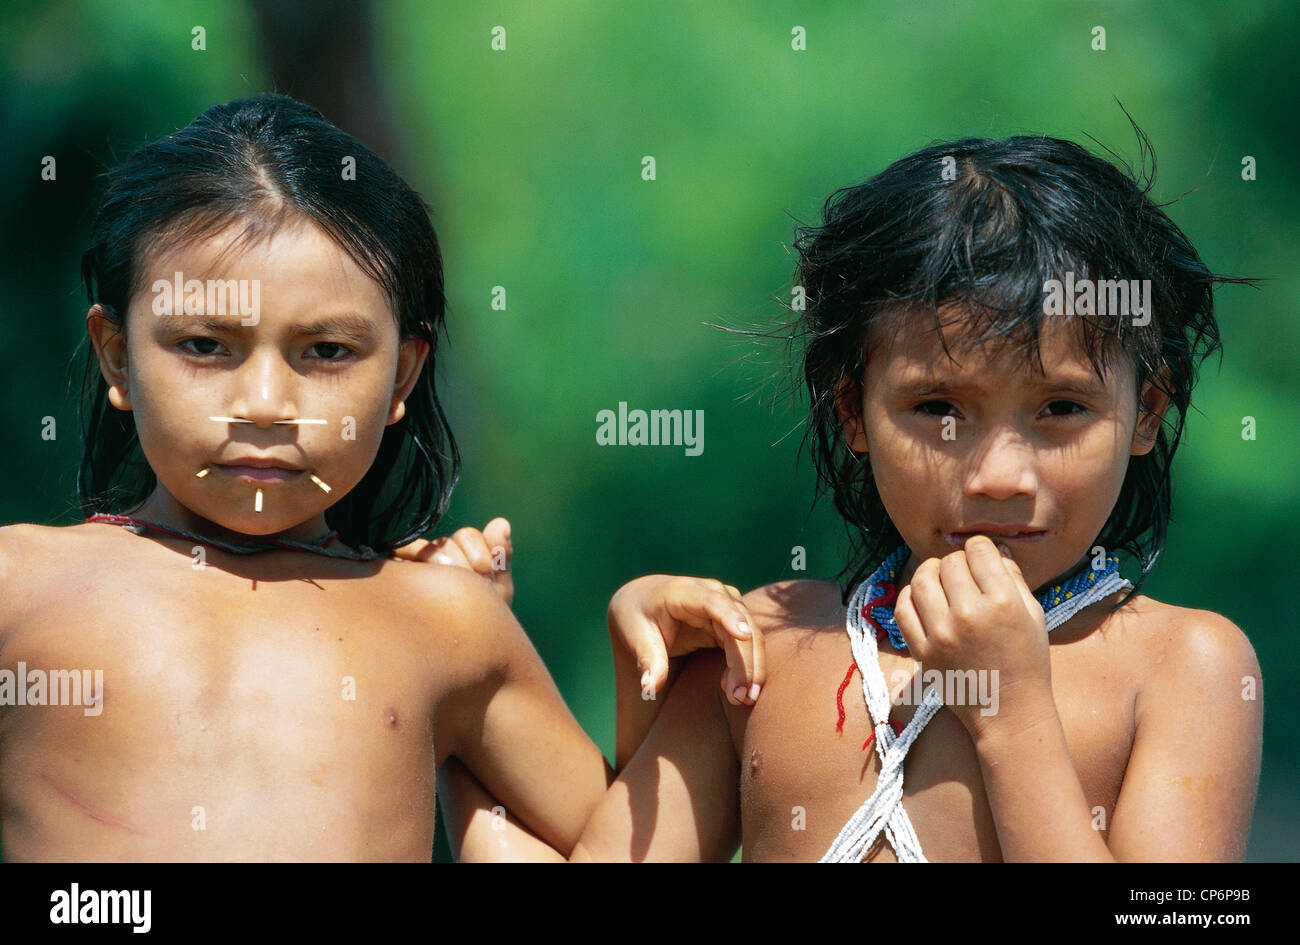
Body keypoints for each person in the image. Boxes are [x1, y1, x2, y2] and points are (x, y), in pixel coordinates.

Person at [443, 125, 1264, 862]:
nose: (999, 474)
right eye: (938, 408)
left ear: (1145, 412)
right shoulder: (768, 643)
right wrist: (466, 650)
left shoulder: (1187, 666)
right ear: (854, 412)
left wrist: (1015, 718)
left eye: (1062, 408)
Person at [0, 93, 760, 861]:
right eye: (204, 344)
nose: (265, 405)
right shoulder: (20, 582)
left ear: (402, 374)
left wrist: (650, 662)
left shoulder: (444, 621)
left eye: (326, 351)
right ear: (116, 354)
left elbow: (621, 855)